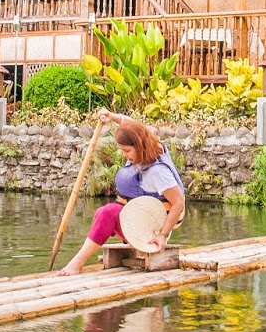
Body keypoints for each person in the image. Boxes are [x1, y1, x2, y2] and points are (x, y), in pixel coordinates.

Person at [55, 110, 185, 276]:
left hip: (152, 230)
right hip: (138, 219)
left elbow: (178, 203)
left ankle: (77, 263)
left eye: (127, 151)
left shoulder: (157, 172)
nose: (124, 155)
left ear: (139, 145)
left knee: (106, 213)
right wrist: (113, 117)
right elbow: (136, 128)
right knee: (101, 215)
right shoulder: (151, 144)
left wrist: (162, 235)